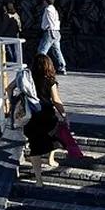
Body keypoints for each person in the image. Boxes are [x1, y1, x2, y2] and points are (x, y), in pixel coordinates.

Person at [23, 54, 66, 186]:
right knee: (53, 137)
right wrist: (64, 115)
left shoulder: (27, 78)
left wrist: (11, 104)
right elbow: (56, 100)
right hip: (47, 116)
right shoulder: (50, 80)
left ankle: (38, 180)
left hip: (31, 117)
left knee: (35, 147)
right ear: (49, 65)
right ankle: (50, 159)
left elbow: (9, 88)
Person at [38, 0, 68, 74]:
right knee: (57, 50)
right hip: (56, 32)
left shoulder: (48, 9)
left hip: (49, 31)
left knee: (42, 50)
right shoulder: (54, 9)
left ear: (46, 2)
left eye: (44, 1)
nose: (43, 2)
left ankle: (41, 67)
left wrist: (51, 30)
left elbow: (50, 21)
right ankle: (62, 67)